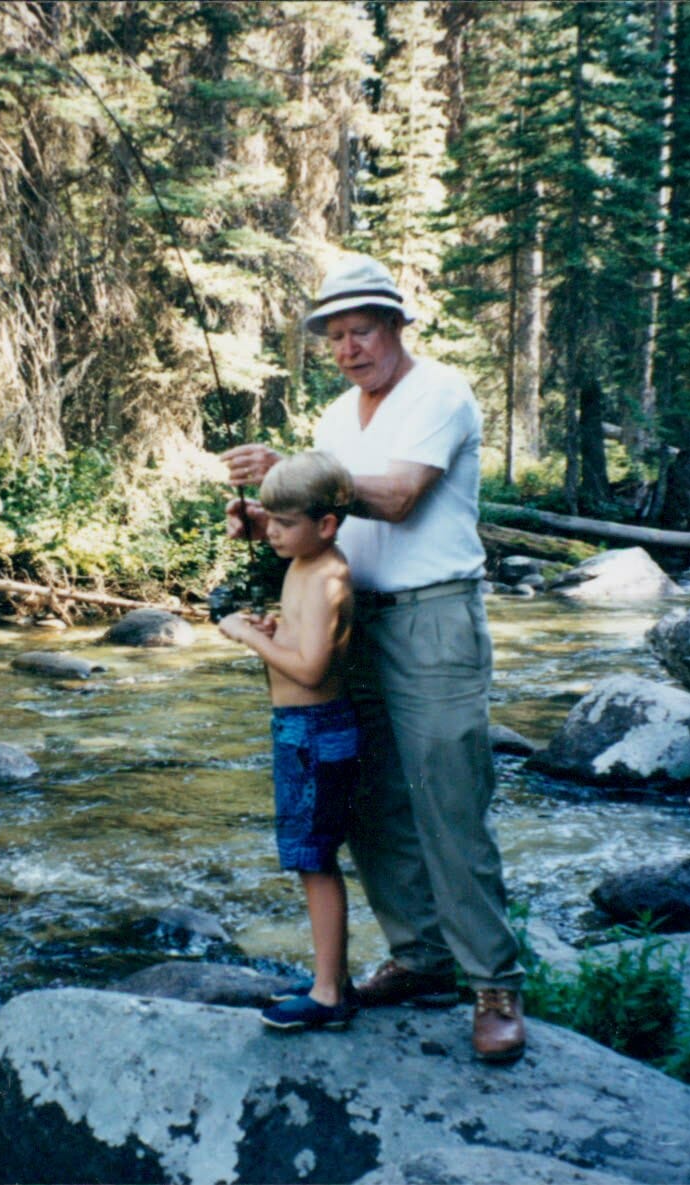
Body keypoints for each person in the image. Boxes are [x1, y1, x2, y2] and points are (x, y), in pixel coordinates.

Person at [222, 254, 526, 1062]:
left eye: (363, 330)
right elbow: (331, 518)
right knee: (360, 799)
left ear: (396, 326)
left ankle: (493, 984)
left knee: (448, 797)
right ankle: (421, 957)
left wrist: (295, 474)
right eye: (336, 336)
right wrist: (271, 521)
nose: (350, 347)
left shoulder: (442, 393)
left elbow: (395, 497)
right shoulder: (330, 419)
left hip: (434, 620)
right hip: (352, 622)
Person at [215, 450, 360, 1032]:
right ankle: (333, 980)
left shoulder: (328, 576)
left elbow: (310, 671)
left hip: (316, 733)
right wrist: (275, 629)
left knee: (315, 860)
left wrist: (247, 637)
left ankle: (329, 995)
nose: (269, 531)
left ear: (325, 525)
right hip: (299, 731)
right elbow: (301, 644)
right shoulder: (303, 565)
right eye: (266, 519)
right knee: (309, 858)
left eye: (284, 522)